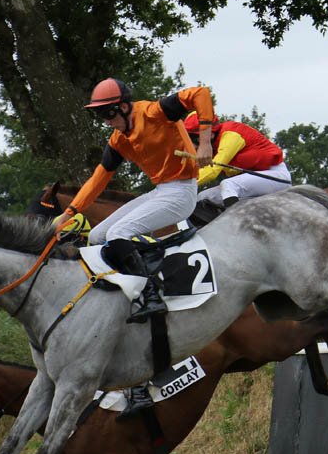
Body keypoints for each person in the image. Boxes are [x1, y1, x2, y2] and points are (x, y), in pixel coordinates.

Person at [63, 77, 215, 324]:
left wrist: (205, 142)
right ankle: (118, 292)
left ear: (123, 107)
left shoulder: (156, 112)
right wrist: (68, 214)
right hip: (161, 191)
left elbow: (200, 92)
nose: (107, 122)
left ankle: (151, 295)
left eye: (108, 115)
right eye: (102, 116)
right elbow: (97, 180)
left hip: (181, 192)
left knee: (118, 233)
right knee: (97, 236)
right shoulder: (119, 139)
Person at [183, 113, 291, 211]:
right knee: (202, 198)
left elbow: (213, 171)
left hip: (275, 177)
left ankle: (236, 224)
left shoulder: (231, 136)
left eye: (193, 138)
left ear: (210, 134)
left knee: (228, 184)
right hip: (255, 179)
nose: (192, 144)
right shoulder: (211, 144)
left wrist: (183, 185)